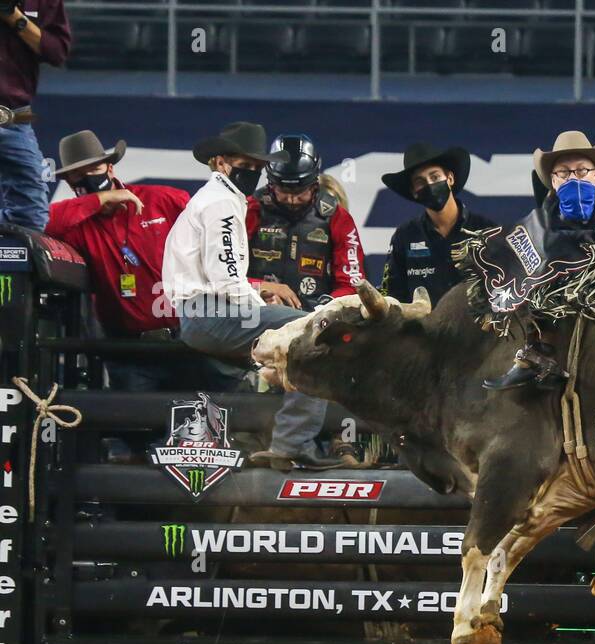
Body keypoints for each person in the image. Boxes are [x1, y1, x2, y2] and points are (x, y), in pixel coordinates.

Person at [162, 121, 348, 471]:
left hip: (202, 314)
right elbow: (227, 280)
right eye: (242, 165)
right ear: (219, 163)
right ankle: (292, 444)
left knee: (298, 334)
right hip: (211, 313)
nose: (249, 173)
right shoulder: (221, 204)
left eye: (254, 167)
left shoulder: (218, 199)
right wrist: (266, 319)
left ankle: (275, 441)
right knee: (316, 331)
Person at [45, 130, 237, 393]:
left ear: (110, 168)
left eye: (94, 168)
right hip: (130, 353)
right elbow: (35, 220)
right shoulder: (76, 226)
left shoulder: (164, 200)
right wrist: (101, 198)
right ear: (68, 181)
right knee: (135, 431)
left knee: (200, 425)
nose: (88, 177)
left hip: (189, 341)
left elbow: (218, 240)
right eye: (78, 174)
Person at [480, 131, 595, 390]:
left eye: (582, 171)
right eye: (564, 173)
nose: (573, 178)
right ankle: (538, 354)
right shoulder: (537, 226)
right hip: (562, 305)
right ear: (553, 182)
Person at [247, 133, 365, 312]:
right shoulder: (249, 209)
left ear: (314, 184)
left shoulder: (337, 217)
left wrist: (323, 308)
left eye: (300, 191)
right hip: (257, 314)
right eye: (283, 190)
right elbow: (225, 277)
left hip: (317, 319)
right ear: (270, 183)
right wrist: (261, 289)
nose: (291, 199)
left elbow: (352, 283)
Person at [378, 143, 496, 307]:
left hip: (475, 330)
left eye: (434, 177)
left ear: (450, 179)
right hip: (422, 330)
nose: (429, 184)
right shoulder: (404, 236)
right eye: (420, 181)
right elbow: (391, 295)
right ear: (414, 191)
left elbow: (503, 289)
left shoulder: (485, 230)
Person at [0, 0, 71, 230]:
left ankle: (15, 265)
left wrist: (14, 17)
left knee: (32, 212)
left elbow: (57, 52)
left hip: (15, 118)